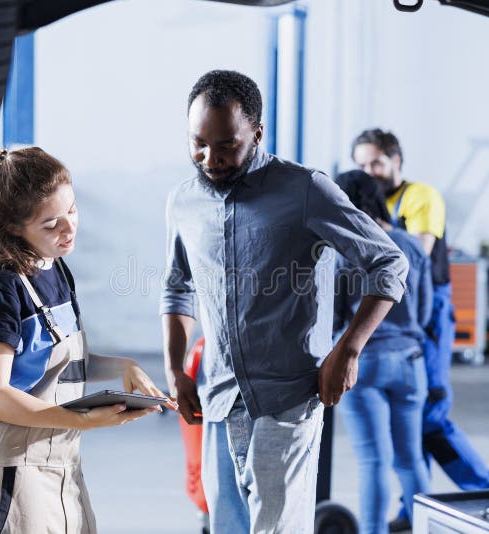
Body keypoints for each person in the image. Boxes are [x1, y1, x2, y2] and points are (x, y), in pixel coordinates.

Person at [161, 70, 409, 534]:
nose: (209, 158)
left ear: (257, 133)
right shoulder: (183, 201)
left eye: (227, 146)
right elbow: (179, 286)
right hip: (218, 399)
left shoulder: (305, 190)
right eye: (198, 143)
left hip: (289, 400)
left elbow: (389, 264)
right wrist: (177, 369)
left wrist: (348, 348)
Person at [0, 147, 173, 534]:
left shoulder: (53, 268)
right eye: (52, 224)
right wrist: (81, 419)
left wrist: (123, 367)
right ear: (12, 228)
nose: (69, 229)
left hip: (58, 466)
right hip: (6, 473)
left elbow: (51, 360)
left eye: (71, 210)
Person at [351, 129, 489, 532]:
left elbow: (411, 261)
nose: (369, 171)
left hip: (424, 315)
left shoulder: (420, 197)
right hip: (399, 324)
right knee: (409, 425)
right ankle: (413, 510)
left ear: (396, 160)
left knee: (430, 411)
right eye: (362, 164)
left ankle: (488, 488)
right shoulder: (371, 204)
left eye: (375, 162)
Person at [333, 170, 433, 534]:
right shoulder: (411, 246)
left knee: (374, 460)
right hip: (410, 361)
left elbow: (335, 316)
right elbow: (423, 312)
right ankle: (426, 528)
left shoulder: (345, 248)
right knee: (410, 460)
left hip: (364, 363)